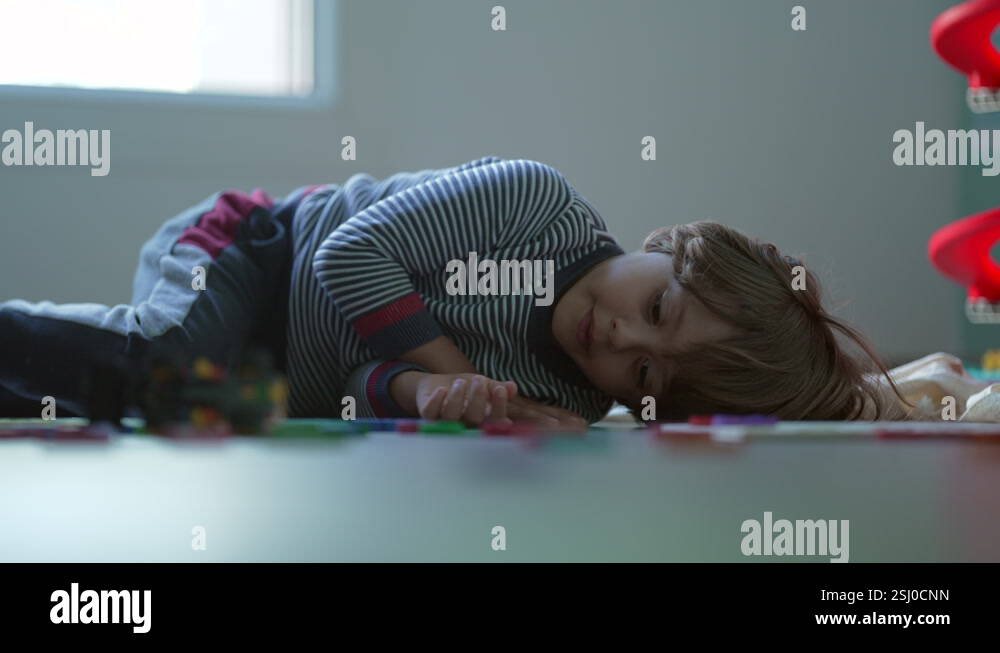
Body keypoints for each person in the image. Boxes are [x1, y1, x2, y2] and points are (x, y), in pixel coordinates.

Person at [0, 156, 908, 427]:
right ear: (669, 247)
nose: (621, 338)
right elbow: (348, 259)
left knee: (191, 411)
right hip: (254, 252)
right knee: (170, 352)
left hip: (278, 372)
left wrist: (431, 393)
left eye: (647, 375)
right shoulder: (536, 201)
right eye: (658, 307)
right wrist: (456, 369)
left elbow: (356, 392)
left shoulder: (570, 402)